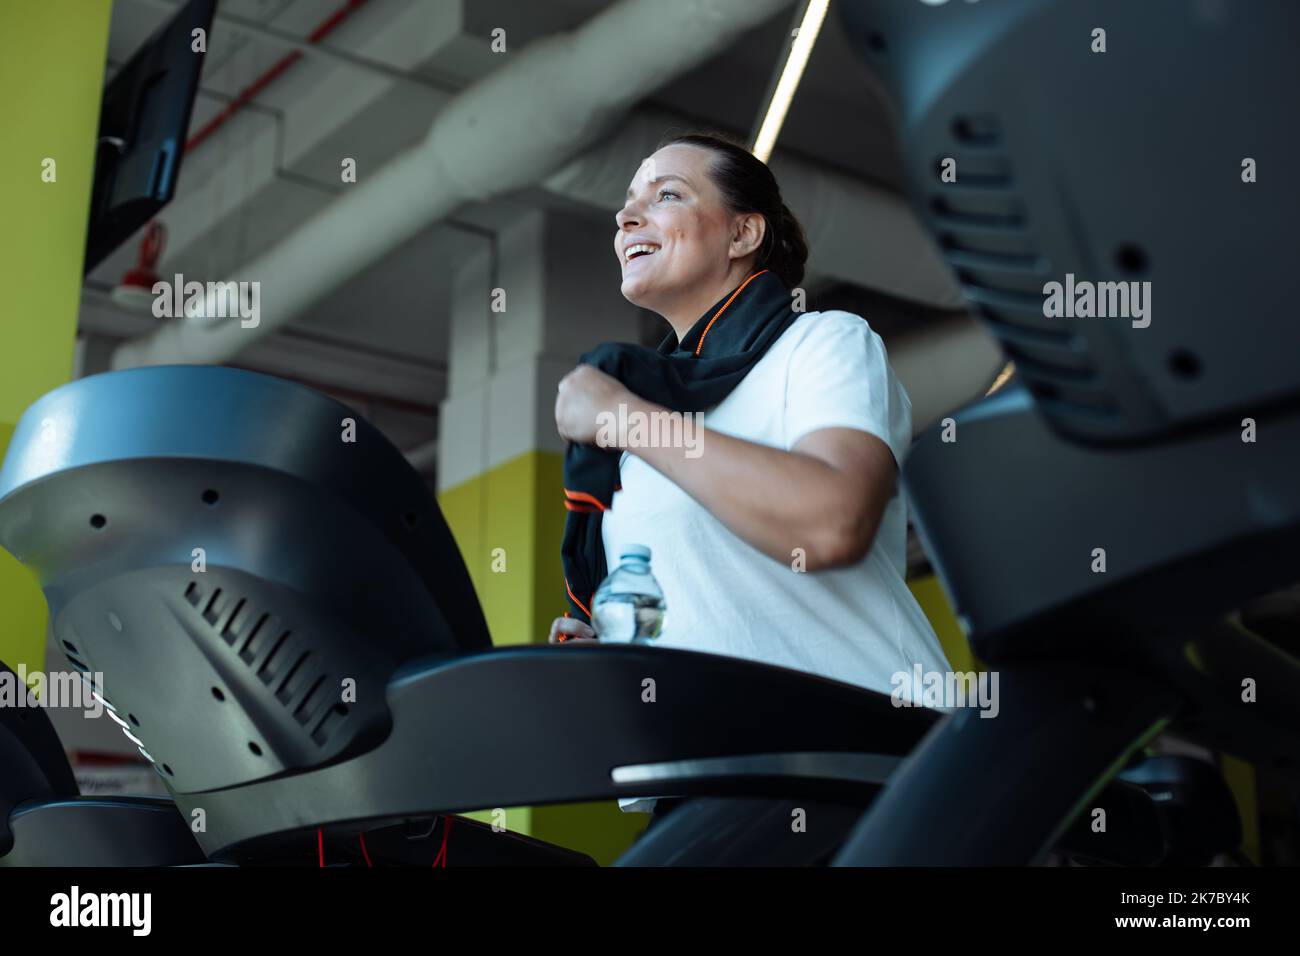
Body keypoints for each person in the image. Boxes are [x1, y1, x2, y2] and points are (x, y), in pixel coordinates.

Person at [548, 132, 951, 819]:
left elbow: (830, 523)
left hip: (859, 765)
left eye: (665, 194)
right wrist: (617, 644)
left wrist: (622, 417)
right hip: (698, 784)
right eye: (626, 204)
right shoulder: (646, 429)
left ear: (743, 232)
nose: (626, 217)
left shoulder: (821, 343)